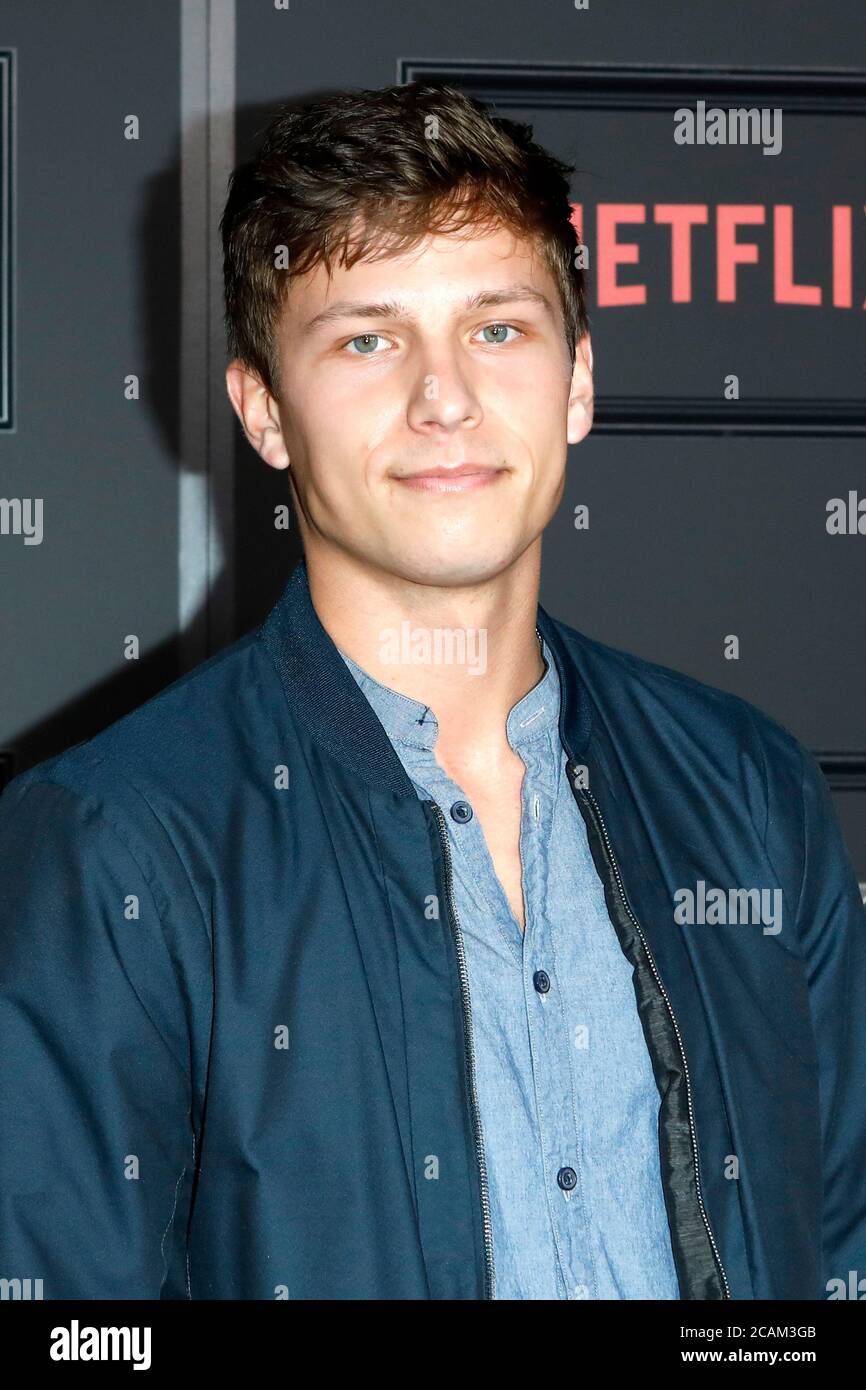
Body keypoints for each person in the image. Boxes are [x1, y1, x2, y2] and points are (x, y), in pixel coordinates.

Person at [1, 81, 864, 1301]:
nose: (443, 397)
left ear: (574, 381)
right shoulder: (113, 844)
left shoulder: (746, 786)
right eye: (366, 338)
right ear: (263, 413)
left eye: (496, 329)